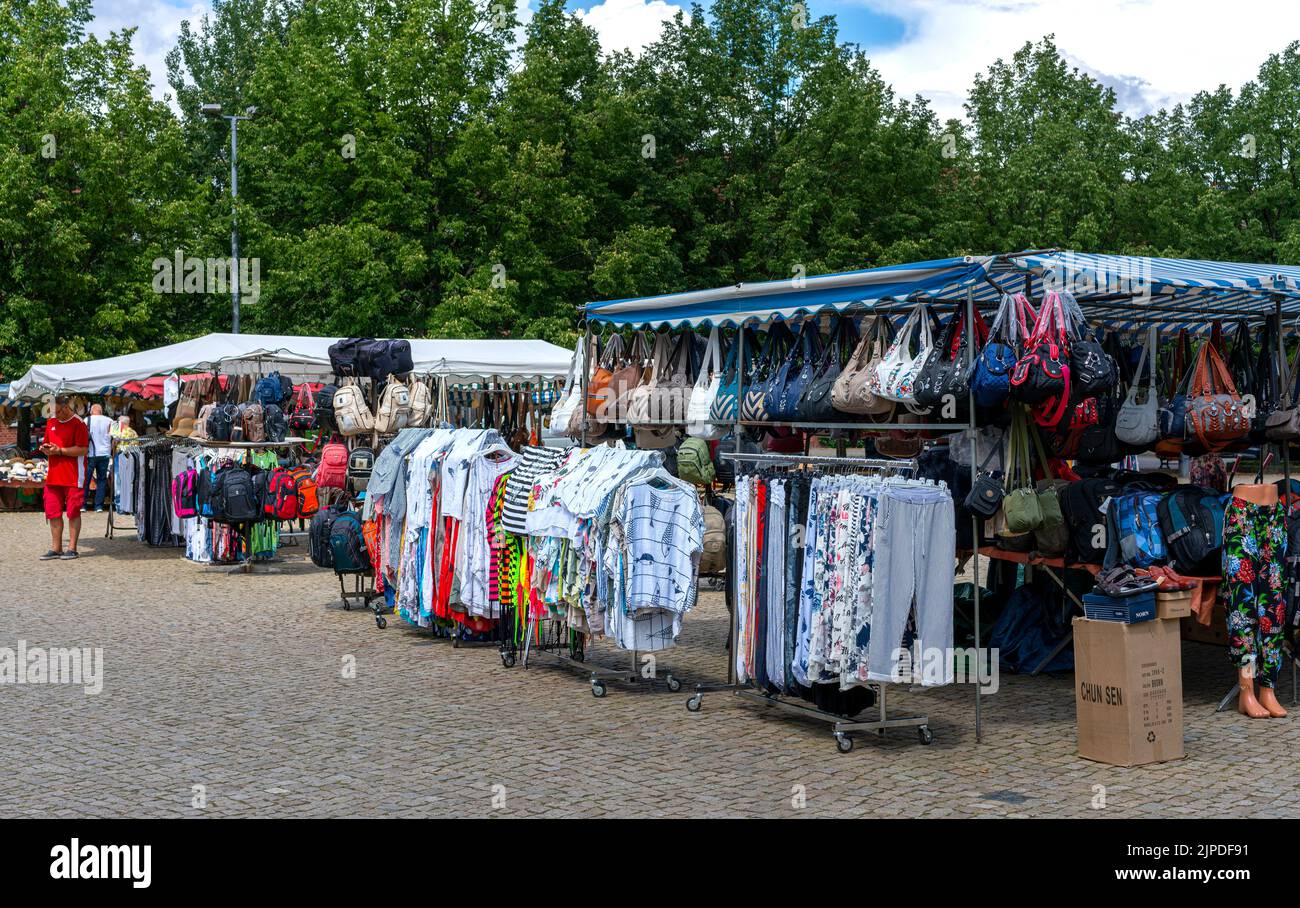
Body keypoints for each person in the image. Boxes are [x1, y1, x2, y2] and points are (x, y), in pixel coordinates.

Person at [38, 395, 89, 560]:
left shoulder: (79, 423)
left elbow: (83, 449)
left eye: (58, 411)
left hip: (74, 475)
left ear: (66, 407)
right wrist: (46, 448)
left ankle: (72, 548)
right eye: (53, 412)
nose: (56, 415)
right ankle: (56, 548)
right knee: (52, 511)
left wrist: (60, 451)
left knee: (73, 511)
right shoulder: (51, 422)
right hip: (54, 475)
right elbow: (47, 442)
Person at [84, 403, 113, 512]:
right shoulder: (109, 420)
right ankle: (98, 506)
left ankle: (83, 505)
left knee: (86, 479)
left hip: (91, 454)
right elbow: (114, 437)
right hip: (105, 453)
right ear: (101, 411)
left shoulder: (87, 420)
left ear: (91, 411)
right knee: (102, 480)